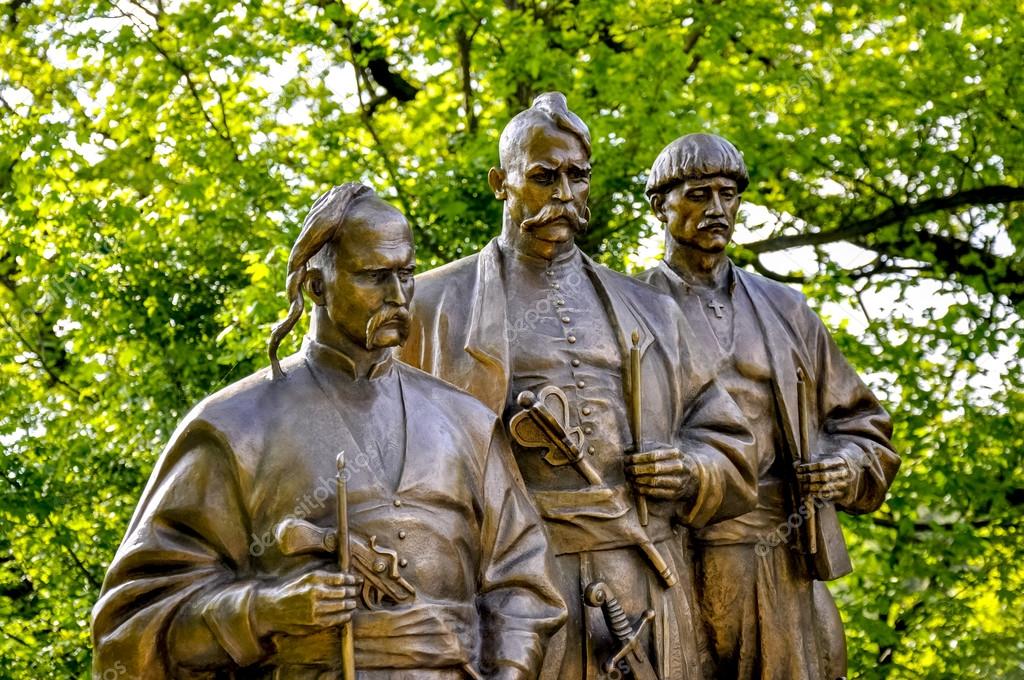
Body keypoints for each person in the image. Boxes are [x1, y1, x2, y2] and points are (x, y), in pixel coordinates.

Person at [92, 183, 565, 680]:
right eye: (374, 277)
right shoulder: (235, 427)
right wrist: (265, 612)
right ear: (316, 285)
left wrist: (509, 672)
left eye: (406, 274)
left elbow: (525, 584)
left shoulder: (465, 421)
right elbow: (132, 625)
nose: (400, 296)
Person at [399, 93, 757, 680]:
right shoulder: (433, 307)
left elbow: (731, 444)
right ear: (501, 183)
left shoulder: (651, 311)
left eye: (577, 176)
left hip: (644, 580)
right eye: (543, 177)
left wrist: (691, 469)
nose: (564, 194)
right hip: (512, 587)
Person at [639, 133, 901, 680]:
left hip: (781, 545)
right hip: (668, 544)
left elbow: (862, 424)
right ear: (660, 203)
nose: (717, 209)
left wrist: (845, 465)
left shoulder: (786, 309)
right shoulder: (626, 307)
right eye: (698, 193)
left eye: (729, 194)